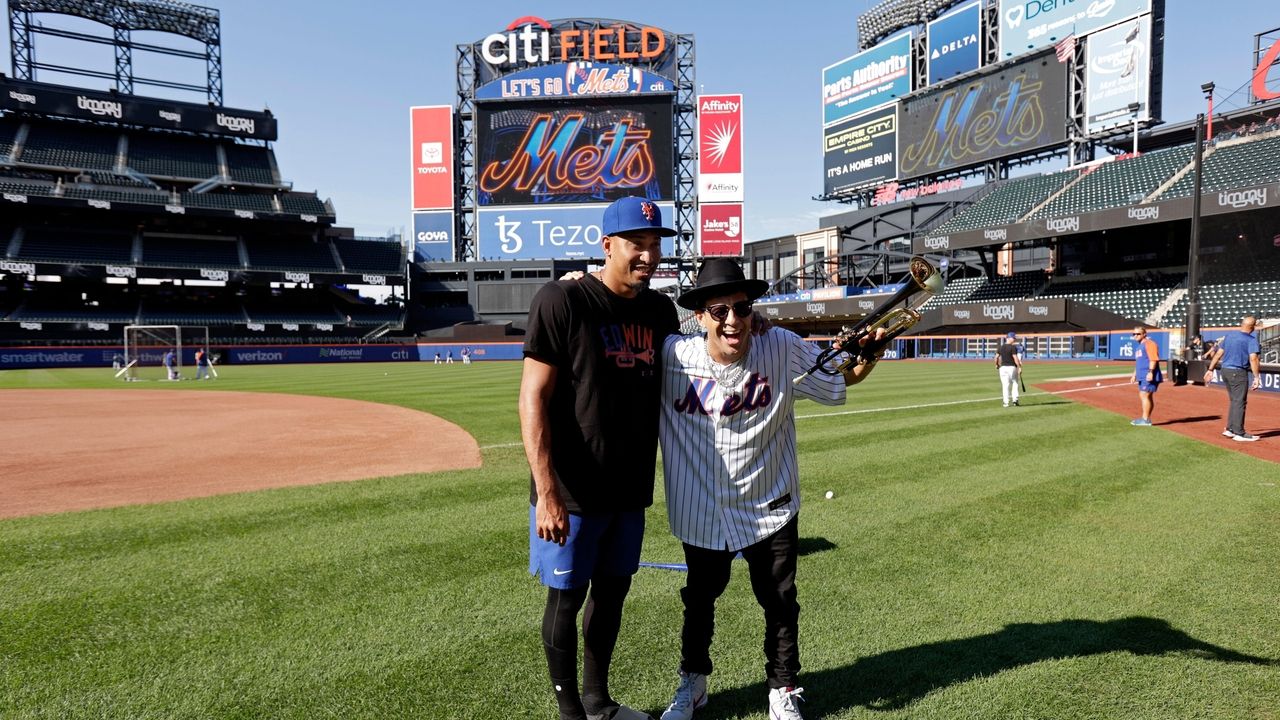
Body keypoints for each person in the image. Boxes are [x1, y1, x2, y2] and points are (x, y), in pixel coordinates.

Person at [657, 258, 885, 720]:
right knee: (699, 601)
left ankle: (782, 688)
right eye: (718, 310)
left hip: (770, 503)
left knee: (780, 602)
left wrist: (870, 353)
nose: (732, 320)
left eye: (741, 308)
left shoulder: (779, 345)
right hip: (700, 506)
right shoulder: (672, 356)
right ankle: (694, 683)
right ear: (699, 316)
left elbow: (839, 376)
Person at [519, 196, 679, 720]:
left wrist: (755, 325)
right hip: (572, 489)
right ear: (608, 245)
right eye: (637, 244)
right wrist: (546, 494)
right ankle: (572, 715)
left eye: (655, 245)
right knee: (567, 598)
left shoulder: (660, 311)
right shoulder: (562, 301)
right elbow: (532, 398)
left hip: (629, 487)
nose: (648, 256)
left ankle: (597, 702)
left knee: (611, 597)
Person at [1204, 315, 1262, 442]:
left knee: (1235, 401)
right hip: (1238, 372)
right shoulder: (1251, 340)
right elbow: (1253, 358)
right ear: (1252, 327)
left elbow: (1219, 354)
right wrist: (1257, 377)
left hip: (1225, 371)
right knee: (1240, 402)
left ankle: (1230, 429)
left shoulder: (1229, 336)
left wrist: (1210, 369)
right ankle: (1239, 432)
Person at [1130, 326, 1162, 426]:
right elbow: (1139, 362)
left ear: (1144, 334)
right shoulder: (1139, 346)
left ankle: (1145, 419)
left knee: (1144, 395)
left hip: (1148, 374)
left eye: (1138, 334)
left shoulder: (1150, 344)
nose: (1135, 336)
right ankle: (1146, 418)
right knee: (1145, 395)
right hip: (1142, 375)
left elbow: (1153, 359)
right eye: (1134, 334)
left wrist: (1150, 372)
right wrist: (1134, 374)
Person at [995, 332, 1022, 407]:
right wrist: (1019, 367)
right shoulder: (1013, 347)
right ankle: (1015, 400)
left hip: (1002, 368)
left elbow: (996, 357)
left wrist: (997, 365)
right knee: (1015, 383)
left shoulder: (1001, 347)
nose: (1014, 339)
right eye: (1013, 338)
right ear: (1009, 338)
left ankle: (1005, 402)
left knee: (1005, 385)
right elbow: (1015, 358)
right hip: (1012, 367)